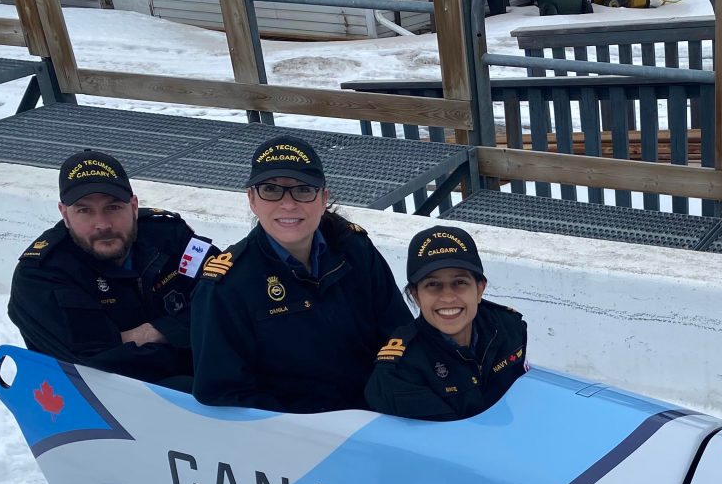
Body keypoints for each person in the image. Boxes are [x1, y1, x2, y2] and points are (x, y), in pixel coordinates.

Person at [191, 135, 410, 413]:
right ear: (252, 200)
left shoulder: (354, 249)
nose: (288, 204)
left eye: (303, 190)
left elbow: (398, 331)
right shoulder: (226, 286)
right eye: (271, 189)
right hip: (298, 438)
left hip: (377, 414)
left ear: (323, 199)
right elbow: (223, 393)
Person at [8, 149, 213, 386]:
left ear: (134, 207)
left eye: (113, 207)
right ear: (64, 214)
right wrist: (195, 343)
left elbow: (228, 297)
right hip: (103, 407)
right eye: (84, 210)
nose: (103, 224)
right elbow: (97, 367)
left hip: (205, 382)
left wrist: (155, 331)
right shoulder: (40, 276)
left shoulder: (168, 235)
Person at [366, 225, 528, 421]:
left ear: (479, 289)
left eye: (459, 282)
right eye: (433, 285)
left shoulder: (508, 327)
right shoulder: (398, 372)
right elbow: (440, 444)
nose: (448, 297)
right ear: (416, 296)